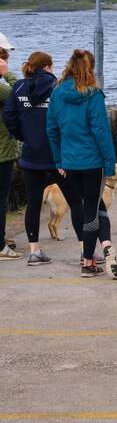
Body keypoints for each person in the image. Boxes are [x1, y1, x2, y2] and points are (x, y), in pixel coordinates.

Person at [46, 50, 117, 277]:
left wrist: (59, 159)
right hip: (92, 162)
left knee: (95, 207)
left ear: (70, 65)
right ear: (90, 68)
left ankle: (106, 245)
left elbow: (52, 129)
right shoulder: (93, 94)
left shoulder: (57, 93)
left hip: (69, 163)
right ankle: (88, 262)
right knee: (91, 211)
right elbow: (101, 132)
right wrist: (110, 164)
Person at [3, 50, 58, 265]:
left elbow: (9, 116)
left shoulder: (18, 87)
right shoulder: (56, 87)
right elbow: (63, 118)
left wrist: (22, 135)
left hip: (30, 153)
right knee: (76, 200)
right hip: (55, 154)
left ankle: (34, 250)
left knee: (33, 203)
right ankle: (86, 251)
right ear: (46, 67)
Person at [0, 32, 21, 258]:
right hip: (1, 151)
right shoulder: (2, 84)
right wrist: (8, 75)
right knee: (1, 197)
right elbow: (18, 95)